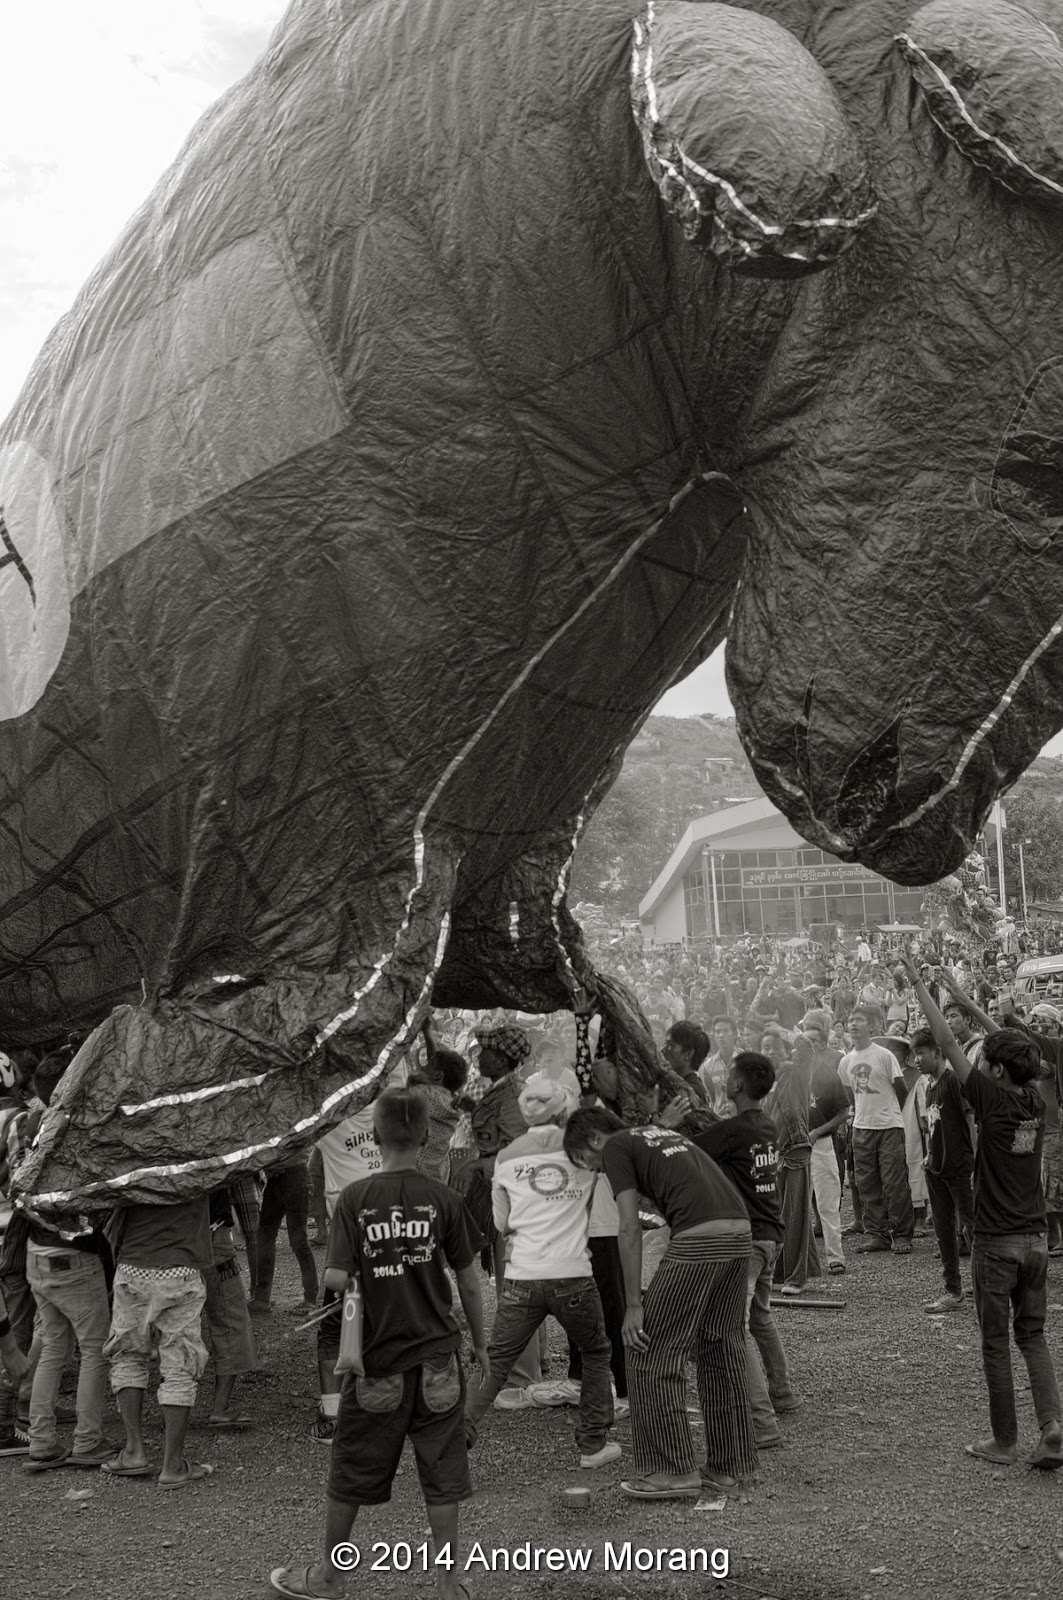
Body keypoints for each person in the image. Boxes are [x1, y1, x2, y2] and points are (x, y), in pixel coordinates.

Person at [269, 1088, 488, 1600]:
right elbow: (471, 1282)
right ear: (426, 1137)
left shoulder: (356, 1200)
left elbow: (335, 1278)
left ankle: (328, 1578)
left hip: (376, 1362)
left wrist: (373, 1270)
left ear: (374, 1136)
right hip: (439, 1357)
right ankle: (448, 1584)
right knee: (441, 1472)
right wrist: (479, 1345)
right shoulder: (444, 1200)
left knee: (351, 1468)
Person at [904, 952, 1063, 1469]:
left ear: (994, 1069)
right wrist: (965, 997)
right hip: (1036, 1240)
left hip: (995, 1242)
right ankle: (1053, 1427)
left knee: (996, 1343)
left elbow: (947, 1042)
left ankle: (1004, 1440)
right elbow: (1019, 1051)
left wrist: (921, 986)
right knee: (1033, 1337)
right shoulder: (1038, 1102)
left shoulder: (990, 1100)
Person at [563, 1109, 755, 1499]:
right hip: (739, 1233)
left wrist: (634, 1304)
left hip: (700, 1239)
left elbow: (629, 1227)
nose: (596, 1171)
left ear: (596, 1139)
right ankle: (729, 1466)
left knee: (646, 1350)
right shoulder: (655, 1133)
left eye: (587, 1161)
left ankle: (671, 1471)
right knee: (721, 1346)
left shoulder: (615, 1145)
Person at [464, 1075, 619, 1467]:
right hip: (573, 1275)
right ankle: (592, 1445)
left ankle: (456, 1437)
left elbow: (500, 1224)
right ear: (562, 1111)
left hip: (522, 1275)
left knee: (497, 1363)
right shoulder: (580, 1150)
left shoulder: (507, 1156)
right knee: (597, 1351)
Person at [693, 1052, 800, 1451]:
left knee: (732, 1329)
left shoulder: (734, 1130)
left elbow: (690, 1150)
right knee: (760, 1318)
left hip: (748, 1241)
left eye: (730, 1076)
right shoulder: (765, 1125)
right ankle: (782, 1392)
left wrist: (668, 1125)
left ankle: (762, 1424)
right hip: (771, 1235)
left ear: (736, 1085)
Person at [23, 1054, 114, 1471]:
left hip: (36, 1254)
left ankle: (40, 1441)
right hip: (75, 1257)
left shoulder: (31, 1125)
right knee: (95, 1350)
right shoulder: (81, 1129)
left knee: (54, 1347)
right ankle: (87, 1442)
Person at [102, 1193, 213, 1487]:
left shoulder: (129, 1152)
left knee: (127, 1356)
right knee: (180, 1366)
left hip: (133, 1267)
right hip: (182, 1268)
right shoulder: (202, 1152)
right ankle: (172, 1465)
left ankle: (134, 1451)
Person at [909, 1028, 974, 1314]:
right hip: (938, 1168)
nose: (917, 1059)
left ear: (937, 1052)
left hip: (961, 1167)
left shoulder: (954, 1081)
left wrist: (977, 1163)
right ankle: (954, 1291)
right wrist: (930, 1156)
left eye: (921, 1052)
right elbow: (936, 1127)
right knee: (945, 1232)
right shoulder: (931, 1085)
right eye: (915, 1053)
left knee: (975, 1229)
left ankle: (993, 1285)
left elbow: (971, 1123)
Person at [839, 1009, 914, 1255]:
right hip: (861, 1128)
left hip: (889, 1127)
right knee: (867, 1184)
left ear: (872, 1027)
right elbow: (850, 1095)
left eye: (859, 1020)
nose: (853, 1025)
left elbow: (901, 1089)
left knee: (894, 1183)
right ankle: (878, 1234)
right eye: (850, 1021)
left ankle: (902, 1234)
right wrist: (862, 1114)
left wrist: (890, 1112)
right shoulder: (845, 1061)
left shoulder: (884, 1056)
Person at [769, 1034, 821, 1293]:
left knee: (795, 1215)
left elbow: (806, 1051)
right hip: (774, 1154)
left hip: (795, 1150)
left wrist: (785, 1031)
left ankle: (796, 1278)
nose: (770, 1052)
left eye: (774, 1047)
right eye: (765, 1047)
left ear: (786, 1050)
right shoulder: (766, 1079)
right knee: (781, 1215)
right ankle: (784, 1273)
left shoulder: (796, 1073)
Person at [203, 1189, 257, 1428]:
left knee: (174, 1325)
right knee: (230, 1320)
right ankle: (220, 1407)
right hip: (213, 1236)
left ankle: (172, 1409)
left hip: (169, 1238)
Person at [250, 1158, 320, 1317]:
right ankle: (262, 1299)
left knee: (297, 1241)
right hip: (280, 1179)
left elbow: (301, 1149)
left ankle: (310, 1299)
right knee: (266, 1237)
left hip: (294, 1177)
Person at [699, 1018, 738, 1118]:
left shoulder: (746, 1060)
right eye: (717, 1032)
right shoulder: (708, 1066)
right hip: (720, 1118)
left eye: (725, 1031)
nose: (721, 1035)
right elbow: (712, 1098)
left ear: (734, 1034)